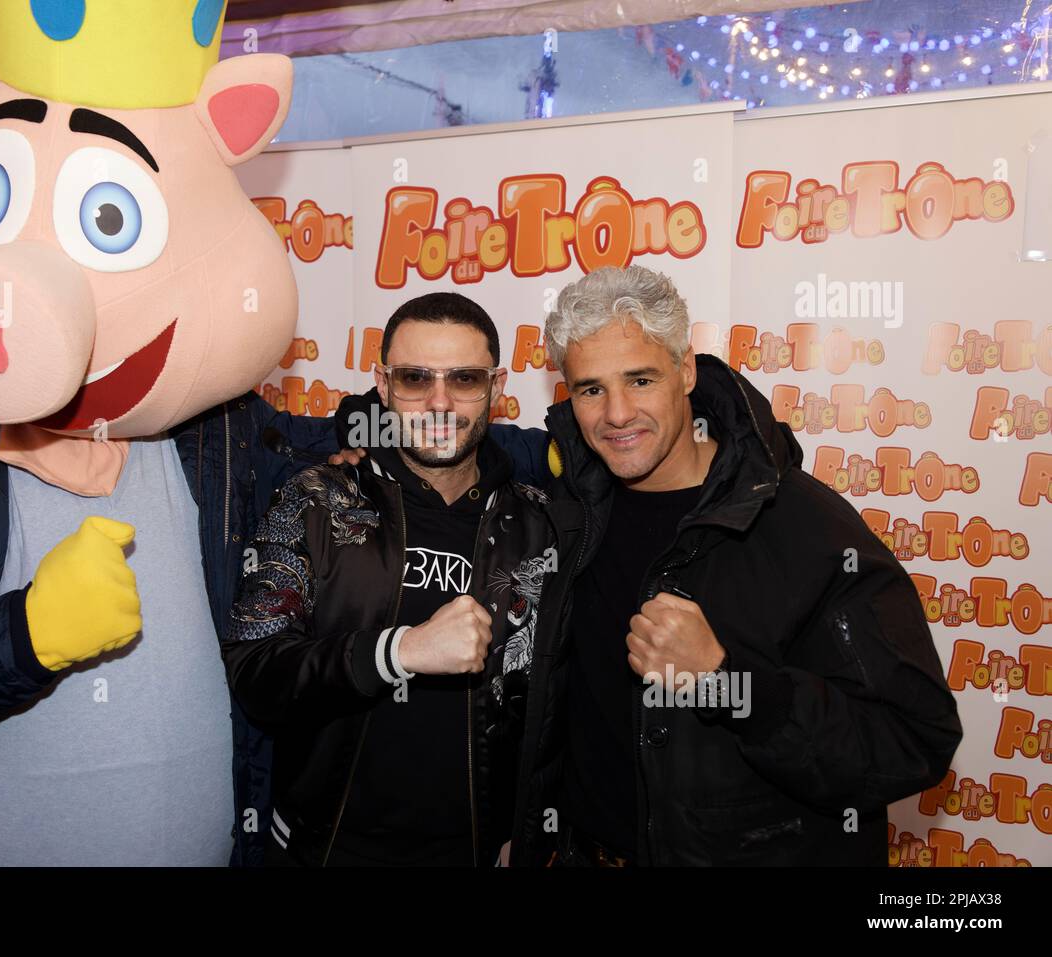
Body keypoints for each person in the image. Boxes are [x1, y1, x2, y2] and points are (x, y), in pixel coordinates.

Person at [502, 265, 963, 866]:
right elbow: (446, 441)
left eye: (640, 379)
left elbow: (912, 741)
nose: (616, 414)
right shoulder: (572, 510)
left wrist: (725, 680)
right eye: (591, 389)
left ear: (687, 370)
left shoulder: (802, 524)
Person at [224, 292, 564, 867]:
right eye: (414, 377)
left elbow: (558, 697)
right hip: (324, 850)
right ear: (382, 385)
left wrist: (528, 823)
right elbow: (255, 672)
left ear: (497, 386)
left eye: (463, 378)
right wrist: (397, 652)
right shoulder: (317, 499)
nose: (438, 402)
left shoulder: (539, 526)